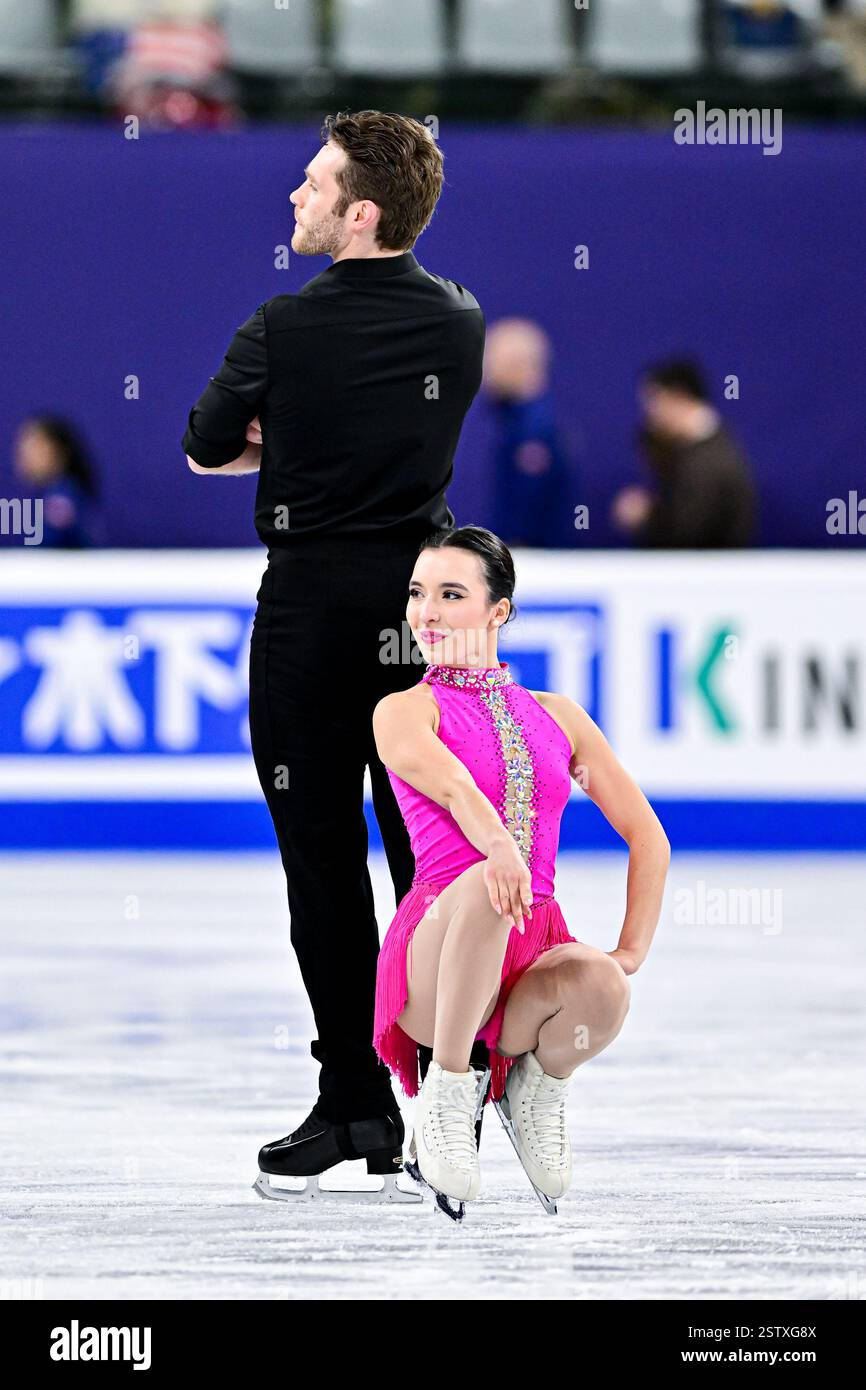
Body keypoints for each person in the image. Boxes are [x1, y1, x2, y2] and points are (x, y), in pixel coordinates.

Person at [181, 111, 485, 1190]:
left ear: (359, 212)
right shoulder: (458, 321)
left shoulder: (281, 327)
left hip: (308, 614)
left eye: (313, 184)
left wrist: (285, 439)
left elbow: (206, 443)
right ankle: (454, 1085)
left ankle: (355, 1102)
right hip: (417, 616)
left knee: (323, 859)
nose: (295, 197)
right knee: (432, 858)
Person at [370, 526, 670, 1208]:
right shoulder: (403, 711)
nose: (428, 612)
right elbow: (453, 787)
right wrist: (499, 846)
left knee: (604, 986)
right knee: (484, 883)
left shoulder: (557, 717)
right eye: (419, 594)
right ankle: (447, 1093)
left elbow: (648, 837)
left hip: (527, 962)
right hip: (436, 958)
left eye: (451, 594)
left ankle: (538, 1085)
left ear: (498, 610)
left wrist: (628, 951)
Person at [611, 358, 758, 548]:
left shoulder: (710, 463)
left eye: (654, 402)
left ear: (679, 396)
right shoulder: (699, 452)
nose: (650, 414)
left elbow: (687, 534)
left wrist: (646, 516)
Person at [481, 317, 575, 548]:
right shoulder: (513, 422)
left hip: (531, 562)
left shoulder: (534, 429)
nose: (483, 371)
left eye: (489, 360)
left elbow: (528, 506)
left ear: (516, 365)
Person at [13, 414, 100, 548]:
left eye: (35, 447)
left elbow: (45, 548)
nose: (25, 455)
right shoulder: (54, 494)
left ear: (58, 451)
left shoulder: (62, 497)